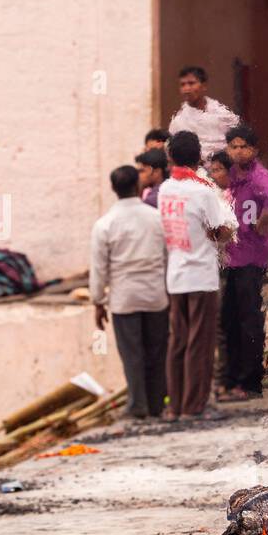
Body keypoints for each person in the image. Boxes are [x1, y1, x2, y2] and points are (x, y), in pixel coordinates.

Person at [157, 131, 238, 419]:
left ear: (170, 158)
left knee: (177, 340)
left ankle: (176, 405)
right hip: (200, 274)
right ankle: (195, 406)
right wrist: (227, 230)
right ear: (198, 157)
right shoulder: (202, 191)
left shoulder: (165, 189)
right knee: (200, 343)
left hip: (176, 273)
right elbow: (220, 230)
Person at [89, 165, 169, 420]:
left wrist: (98, 301)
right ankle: (157, 403)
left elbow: (99, 268)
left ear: (113, 189)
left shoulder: (104, 225)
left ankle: (138, 405)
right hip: (156, 294)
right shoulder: (156, 217)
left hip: (124, 298)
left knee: (132, 354)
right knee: (156, 351)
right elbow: (167, 256)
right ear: (137, 186)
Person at [218, 124, 268, 402]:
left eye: (243, 146)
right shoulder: (231, 175)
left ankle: (250, 380)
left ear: (254, 150)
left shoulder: (259, 177)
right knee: (230, 319)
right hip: (232, 257)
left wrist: (264, 221)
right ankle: (232, 378)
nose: (238, 151)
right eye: (233, 146)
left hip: (251, 257)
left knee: (248, 319)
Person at [168, 66, 241, 158]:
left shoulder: (222, 112)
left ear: (204, 86)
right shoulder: (178, 122)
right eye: (182, 84)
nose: (186, 89)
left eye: (191, 83)